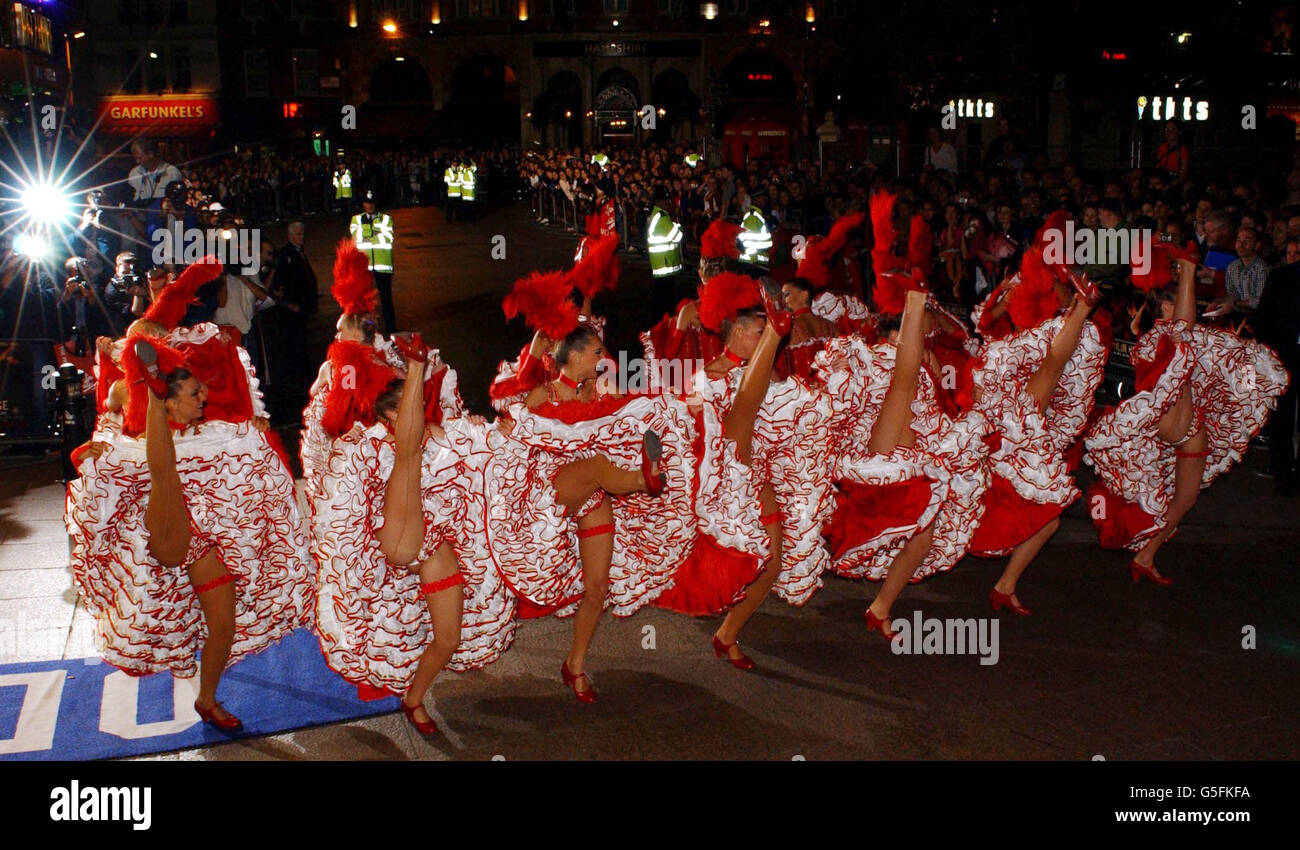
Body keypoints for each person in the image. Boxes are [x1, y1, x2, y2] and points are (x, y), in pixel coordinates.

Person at [1086, 256, 1289, 582]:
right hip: (1170, 428)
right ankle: (1144, 551)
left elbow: (1195, 342)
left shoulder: (1169, 339)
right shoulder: (1165, 337)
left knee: (1184, 498)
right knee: (1171, 498)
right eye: (1181, 300)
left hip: (1182, 429)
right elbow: (1184, 327)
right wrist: (1188, 272)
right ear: (1166, 306)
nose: (1188, 305)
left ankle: (1146, 556)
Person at [1253, 258, 1300, 494]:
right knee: (1282, 417)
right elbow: (1264, 318)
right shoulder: (1282, 276)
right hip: (1285, 355)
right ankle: (1283, 475)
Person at [270, 221, 318, 421]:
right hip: (293, 310)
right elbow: (282, 283)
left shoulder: (298, 252)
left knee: (301, 341)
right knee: (295, 344)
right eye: (298, 234)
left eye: (302, 233)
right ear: (290, 236)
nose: (302, 236)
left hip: (302, 308)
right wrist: (290, 304)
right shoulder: (287, 256)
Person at [350, 190, 397, 333]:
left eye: (372, 203)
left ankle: (391, 329)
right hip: (365, 267)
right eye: (367, 203)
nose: (370, 206)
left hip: (383, 267)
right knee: (366, 302)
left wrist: (367, 235)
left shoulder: (386, 219)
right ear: (363, 204)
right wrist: (376, 233)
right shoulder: (356, 219)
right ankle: (368, 330)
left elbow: (388, 237)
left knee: (386, 300)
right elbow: (356, 238)